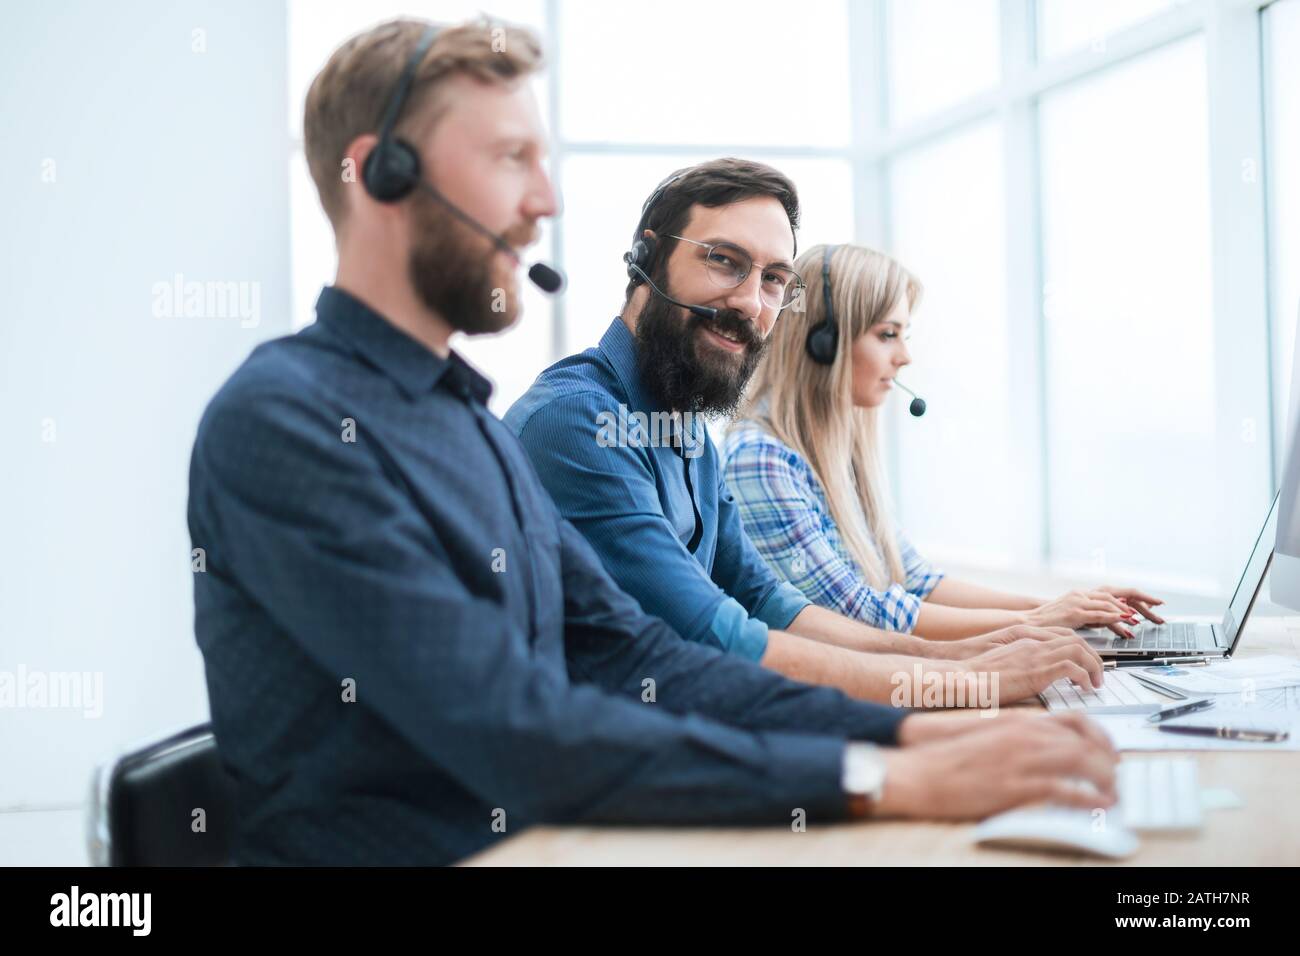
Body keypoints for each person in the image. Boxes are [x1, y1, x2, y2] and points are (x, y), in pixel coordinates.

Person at [187, 18, 1116, 866]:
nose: (544, 200)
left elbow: (644, 659)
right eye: (512, 158)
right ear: (382, 172)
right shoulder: (290, 424)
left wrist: (918, 734)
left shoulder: (470, 428)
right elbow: (513, 725)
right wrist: (886, 775)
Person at [505, 159, 1106, 705]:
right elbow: (718, 633)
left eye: (772, 280)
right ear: (647, 256)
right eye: (723, 260)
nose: (750, 303)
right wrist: (963, 677)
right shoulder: (577, 422)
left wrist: (963, 657)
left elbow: (765, 600)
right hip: (586, 783)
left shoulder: (685, 427)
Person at [724, 242, 1166, 641]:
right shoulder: (761, 458)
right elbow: (857, 615)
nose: (905, 356)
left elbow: (917, 581)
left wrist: (1066, 607)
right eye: (887, 334)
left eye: (904, 335)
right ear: (823, 342)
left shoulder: (839, 454)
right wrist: (1038, 621)